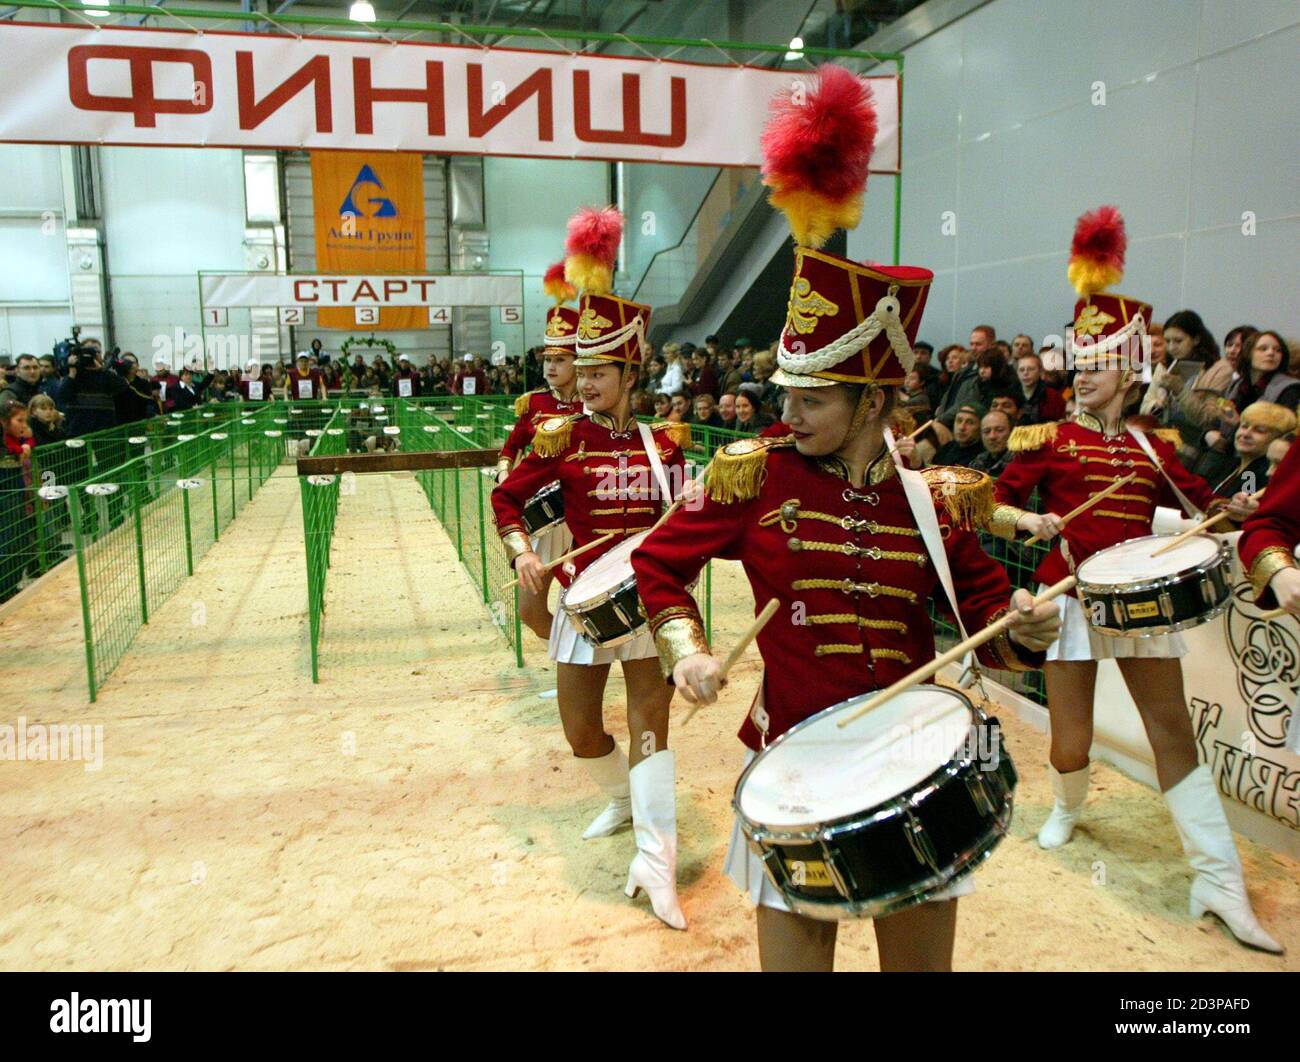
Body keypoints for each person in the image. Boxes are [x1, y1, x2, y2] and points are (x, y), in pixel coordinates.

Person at [632, 67, 1060, 972]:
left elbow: (989, 629)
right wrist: (688, 651)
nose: (785, 411)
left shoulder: (928, 499)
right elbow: (658, 566)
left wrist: (1030, 629)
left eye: (812, 397)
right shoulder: (756, 476)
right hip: (792, 762)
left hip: (910, 769)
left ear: (873, 399)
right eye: (785, 390)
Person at [987, 205, 1279, 953]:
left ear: (1129, 370)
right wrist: (1031, 526)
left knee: (1172, 728)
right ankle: (1067, 806)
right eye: (1078, 363)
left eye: (1097, 365)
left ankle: (1217, 878)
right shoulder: (1045, 438)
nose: (1083, 376)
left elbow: (1199, 505)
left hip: (1142, 608)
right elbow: (994, 504)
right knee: (1070, 741)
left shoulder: (1158, 447)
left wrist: (1233, 508)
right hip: (1069, 601)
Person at [492, 207, 689, 930]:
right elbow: (505, 496)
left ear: (630, 370)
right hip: (581, 598)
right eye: (586, 369)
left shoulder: (664, 445)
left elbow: (687, 525)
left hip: (648, 602)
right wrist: (522, 557)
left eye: (603, 370)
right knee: (581, 731)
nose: (587, 382)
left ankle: (657, 856)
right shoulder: (559, 436)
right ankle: (616, 796)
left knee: (650, 728)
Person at [494, 262, 584, 639]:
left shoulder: (594, 409)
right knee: (530, 612)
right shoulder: (533, 403)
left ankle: (580, 663)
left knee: (579, 602)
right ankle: (574, 655)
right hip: (540, 519)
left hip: (582, 517)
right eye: (547, 359)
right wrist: (504, 475)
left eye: (559, 359)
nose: (550, 366)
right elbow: (511, 446)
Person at [1198, 401, 1295, 497]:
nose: (1246, 434)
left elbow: (1241, 499)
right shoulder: (1231, 463)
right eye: (1244, 426)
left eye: (1259, 431)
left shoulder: (1256, 475)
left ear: (1277, 439)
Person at [1015, 350, 1066, 425]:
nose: (1025, 373)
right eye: (1021, 370)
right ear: (1017, 373)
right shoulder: (1010, 395)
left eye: (1031, 369)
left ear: (1040, 372)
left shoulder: (1054, 397)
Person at [970, 408, 1013, 478]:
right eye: (986, 431)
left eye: (999, 430)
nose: (992, 436)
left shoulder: (1020, 463)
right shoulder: (977, 463)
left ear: (1011, 432)